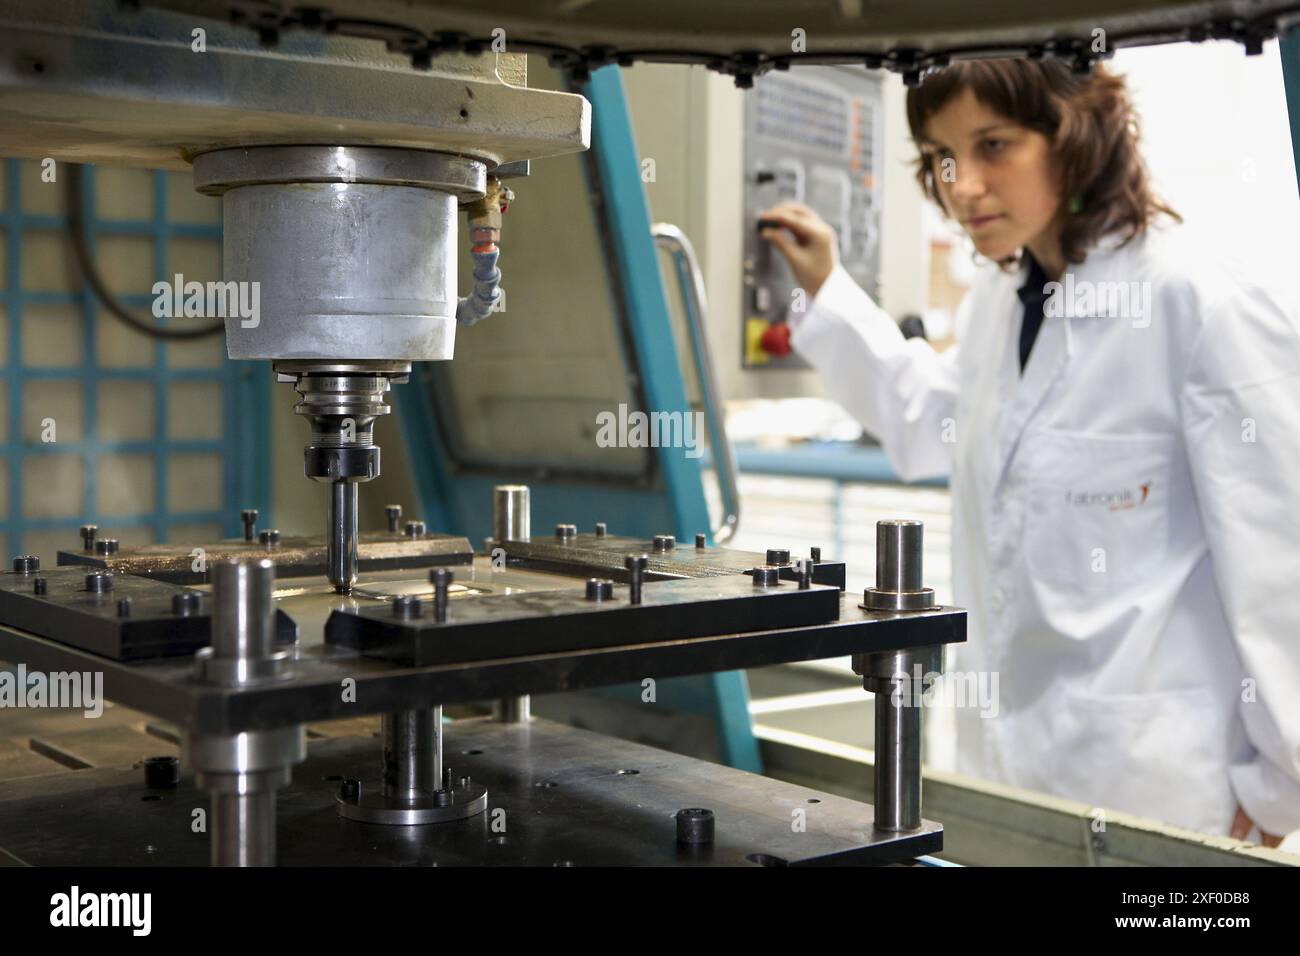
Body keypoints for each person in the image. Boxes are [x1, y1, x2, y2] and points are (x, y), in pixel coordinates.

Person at [760, 58, 1300, 845]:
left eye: (994, 146)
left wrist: (1280, 788)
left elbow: (1283, 569)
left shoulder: (1201, 303)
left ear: (1075, 137)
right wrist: (828, 291)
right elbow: (928, 420)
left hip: (1164, 801)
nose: (962, 186)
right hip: (1006, 782)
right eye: (942, 157)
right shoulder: (1005, 302)